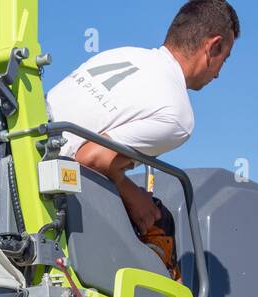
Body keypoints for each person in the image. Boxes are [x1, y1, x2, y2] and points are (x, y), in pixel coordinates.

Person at [46, 0, 239, 276]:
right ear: (214, 46)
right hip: (55, 196)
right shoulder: (177, 116)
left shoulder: (121, 55)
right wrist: (133, 195)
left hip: (21, 164)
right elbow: (88, 158)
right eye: (225, 58)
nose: (219, 73)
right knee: (158, 223)